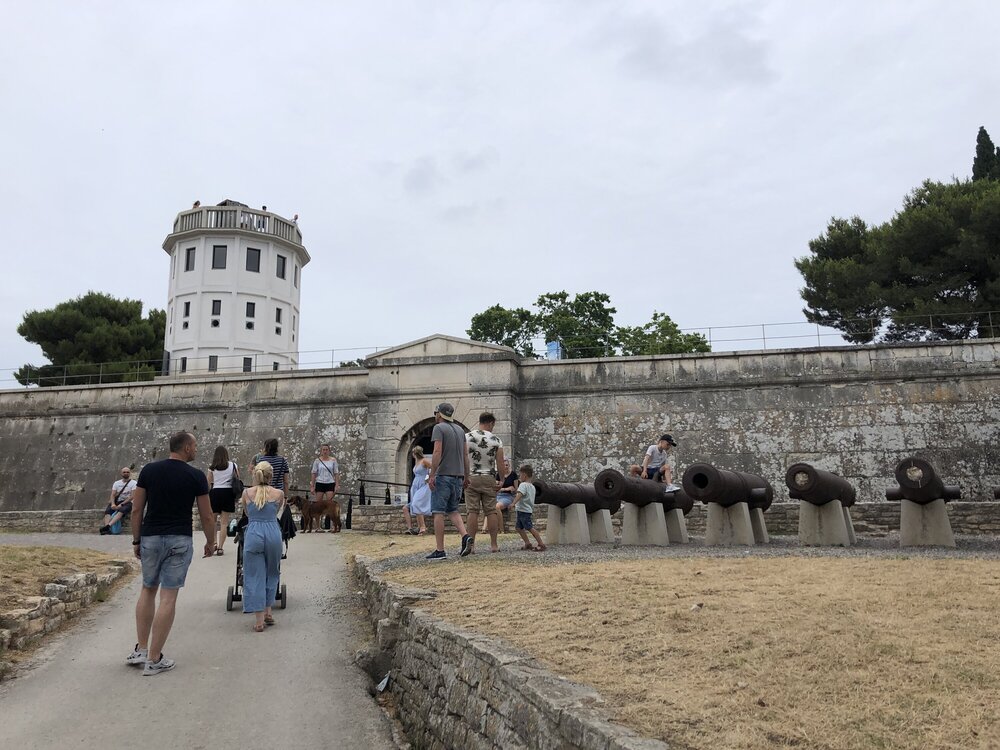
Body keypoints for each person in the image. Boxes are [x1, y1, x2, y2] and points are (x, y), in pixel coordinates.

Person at [126, 432, 215, 676]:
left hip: (151, 537)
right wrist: (211, 541)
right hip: (179, 538)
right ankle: (155, 659)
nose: (196, 449)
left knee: (148, 588)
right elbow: (207, 515)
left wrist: (136, 539)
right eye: (195, 445)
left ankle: (141, 649)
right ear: (186, 448)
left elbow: (136, 510)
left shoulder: (148, 471)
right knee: (168, 597)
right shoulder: (196, 476)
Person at [241, 461, 284, 632]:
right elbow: (276, 511)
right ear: (271, 475)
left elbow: (246, 512)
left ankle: (259, 621)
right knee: (272, 571)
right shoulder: (279, 494)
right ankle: (268, 611)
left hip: (254, 533)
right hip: (272, 531)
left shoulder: (246, 493)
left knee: (254, 574)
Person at [426, 403, 472, 560]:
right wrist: (467, 476)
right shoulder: (460, 430)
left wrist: (432, 474)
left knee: (438, 511)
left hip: (444, 475)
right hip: (458, 477)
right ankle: (465, 536)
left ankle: (440, 550)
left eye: (436, 412)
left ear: (439, 414)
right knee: (453, 509)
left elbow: (437, 451)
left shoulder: (439, 428)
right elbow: (466, 456)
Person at [464, 412, 506, 554]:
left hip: (471, 477)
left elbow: (463, 457)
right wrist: (502, 479)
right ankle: (493, 545)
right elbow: (500, 462)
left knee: (472, 511)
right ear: (491, 423)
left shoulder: (467, 437)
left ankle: (472, 545)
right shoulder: (496, 440)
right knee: (491, 510)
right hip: (489, 477)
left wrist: (464, 475)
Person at [207, 446, 239, 556]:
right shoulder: (233, 465)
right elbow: (237, 479)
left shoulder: (212, 467)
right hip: (228, 493)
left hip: (215, 493)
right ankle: (220, 547)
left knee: (213, 522)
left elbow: (209, 482)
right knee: (224, 522)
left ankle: (214, 543)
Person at [512, 464, 546, 552]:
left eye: (520, 475)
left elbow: (520, 494)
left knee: (529, 527)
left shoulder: (523, 485)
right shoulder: (532, 487)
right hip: (525, 509)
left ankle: (541, 543)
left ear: (524, 475)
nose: (520, 477)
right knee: (519, 527)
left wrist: (513, 503)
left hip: (523, 510)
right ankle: (527, 543)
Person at [310, 443, 340, 532]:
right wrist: (312, 486)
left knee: (330, 505)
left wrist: (337, 485)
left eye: (326, 449)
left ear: (329, 450)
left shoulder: (333, 460)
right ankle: (318, 526)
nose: (325, 451)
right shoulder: (317, 461)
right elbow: (313, 473)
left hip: (330, 482)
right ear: (321, 451)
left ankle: (332, 526)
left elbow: (336, 473)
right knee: (318, 506)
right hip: (320, 482)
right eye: (323, 450)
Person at [99, 467, 136, 534]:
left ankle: (108, 526)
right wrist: (113, 504)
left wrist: (121, 504)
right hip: (117, 501)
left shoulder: (134, 483)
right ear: (121, 473)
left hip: (128, 502)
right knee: (108, 511)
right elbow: (113, 494)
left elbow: (132, 496)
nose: (126, 473)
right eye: (124, 472)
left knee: (122, 510)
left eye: (127, 472)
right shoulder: (117, 483)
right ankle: (107, 528)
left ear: (130, 473)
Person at [404, 446, 432, 535]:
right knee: (415, 505)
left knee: (417, 503)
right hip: (415, 485)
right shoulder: (416, 462)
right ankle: (419, 527)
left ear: (415, 453)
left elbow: (433, 468)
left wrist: (429, 477)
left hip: (423, 484)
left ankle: (423, 527)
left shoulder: (424, 460)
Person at [494, 459, 517, 534]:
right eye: (504, 465)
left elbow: (515, 489)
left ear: (509, 465)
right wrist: (506, 488)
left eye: (507, 465)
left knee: (497, 506)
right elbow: (496, 487)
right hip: (498, 495)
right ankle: (484, 528)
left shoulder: (513, 474)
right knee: (490, 506)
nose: (505, 467)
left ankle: (501, 529)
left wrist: (502, 489)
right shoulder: (498, 475)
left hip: (508, 496)